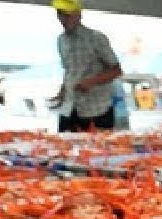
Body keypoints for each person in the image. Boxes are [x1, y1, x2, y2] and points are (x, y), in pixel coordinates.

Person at [49, 0, 123, 132]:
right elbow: (69, 71)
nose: (64, 19)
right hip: (69, 108)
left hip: (96, 109)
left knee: (100, 145)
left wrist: (91, 81)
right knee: (64, 144)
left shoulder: (96, 38)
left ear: (79, 15)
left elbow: (116, 71)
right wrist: (62, 92)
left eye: (68, 15)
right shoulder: (61, 40)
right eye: (60, 14)